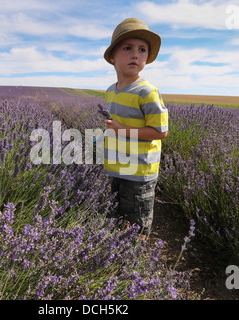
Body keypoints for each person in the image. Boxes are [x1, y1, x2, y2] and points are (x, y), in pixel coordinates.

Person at [103, 18, 168, 241]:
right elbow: (116, 123)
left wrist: (123, 130)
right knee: (116, 215)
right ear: (113, 56)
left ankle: (135, 260)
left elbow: (160, 132)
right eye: (127, 48)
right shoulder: (111, 91)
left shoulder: (147, 92)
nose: (135, 55)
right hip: (116, 164)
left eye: (142, 50)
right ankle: (114, 254)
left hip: (140, 170)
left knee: (137, 221)